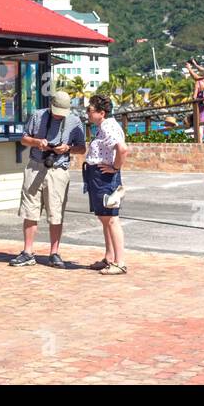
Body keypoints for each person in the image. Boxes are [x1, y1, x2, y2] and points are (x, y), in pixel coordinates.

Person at [11, 90, 86, 267]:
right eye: (57, 112)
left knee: (56, 213)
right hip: (35, 165)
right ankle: (28, 252)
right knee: (30, 210)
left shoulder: (75, 121)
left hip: (58, 170)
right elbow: (23, 139)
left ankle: (54, 253)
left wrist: (67, 148)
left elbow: (81, 148)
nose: (59, 116)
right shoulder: (37, 115)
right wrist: (38, 142)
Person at [84, 93, 129, 275]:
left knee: (111, 219)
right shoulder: (104, 126)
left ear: (101, 112)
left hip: (105, 178)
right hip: (97, 176)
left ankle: (120, 262)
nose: (87, 113)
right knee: (104, 218)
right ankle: (110, 257)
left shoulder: (108, 126)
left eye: (90, 110)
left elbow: (122, 149)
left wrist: (116, 167)